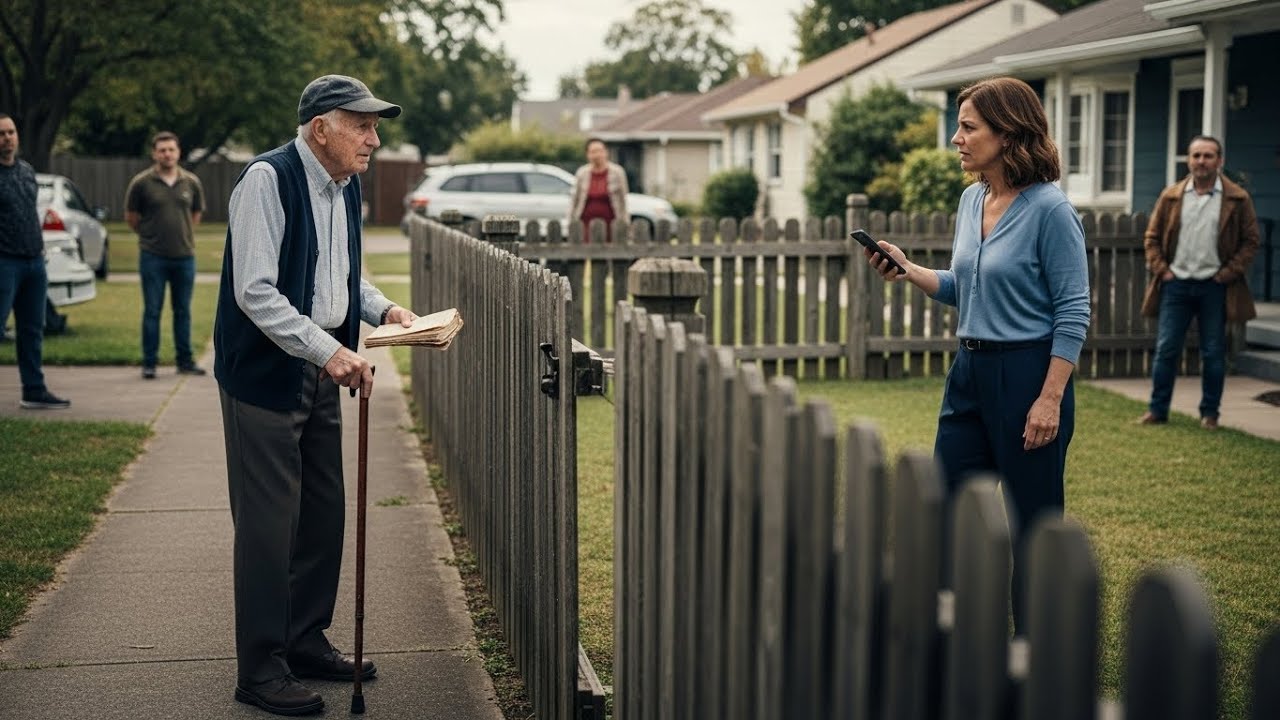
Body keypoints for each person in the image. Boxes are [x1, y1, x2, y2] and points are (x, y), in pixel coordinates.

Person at [215, 75, 418, 716]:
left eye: (374, 126)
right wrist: (329, 350)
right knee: (270, 529)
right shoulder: (267, 181)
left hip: (320, 368)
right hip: (267, 378)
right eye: (362, 125)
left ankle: (304, 641)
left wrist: (383, 311)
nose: (373, 139)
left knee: (322, 517)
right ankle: (260, 669)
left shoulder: (343, 186)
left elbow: (339, 277)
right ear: (320, 127)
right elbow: (256, 291)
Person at [864, 77, 1091, 630]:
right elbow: (966, 286)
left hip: (1028, 375)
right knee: (944, 509)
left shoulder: (1050, 212)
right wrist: (910, 269)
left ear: (1008, 133)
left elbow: (1074, 311)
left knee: (1032, 524)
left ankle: (1034, 652)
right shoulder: (972, 200)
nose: (956, 140)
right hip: (968, 374)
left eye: (968, 127)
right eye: (958, 127)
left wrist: (1048, 400)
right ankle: (945, 634)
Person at [1137, 135, 1259, 430]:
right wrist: (1162, 270)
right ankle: (1158, 410)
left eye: (1208, 155)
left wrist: (1227, 273)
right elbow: (1152, 238)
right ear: (1188, 160)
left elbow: (1251, 241)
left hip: (1214, 286)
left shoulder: (1237, 199)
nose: (1201, 161)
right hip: (1175, 284)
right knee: (1166, 349)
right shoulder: (1171, 196)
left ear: (1220, 161)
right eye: (1196, 155)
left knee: (1213, 352)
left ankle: (1210, 414)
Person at [0, 113, 71, 409]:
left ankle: (34, 389)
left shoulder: (27, 171)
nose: (7, 138)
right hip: (5, 263)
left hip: (33, 263)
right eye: (1, 133)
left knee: (32, 329)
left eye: (11, 132)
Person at [125, 131, 206, 379]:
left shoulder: (190, 182)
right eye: (162, 150)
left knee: (182, 311)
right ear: (154, 153)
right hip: (153, 257)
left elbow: (195, 216)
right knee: (152, 310)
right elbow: (131, 218)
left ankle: (185, 361)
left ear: (178, 152)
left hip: (184, 257)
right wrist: (151, 238)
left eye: (171, 149)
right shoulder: (141, 183)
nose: (167, 154)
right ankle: (150, 363)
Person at [570, 137, 628, 238]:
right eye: (593, 152)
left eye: (600, 151)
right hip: (586, 224)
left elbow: (623, 200)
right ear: (587, 155)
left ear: (606, 152)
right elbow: (575, 200)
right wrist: (571, 221)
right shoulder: (582, 173)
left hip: (611, 223)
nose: (597, 155)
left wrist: (625, 223)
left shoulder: (618, 172)